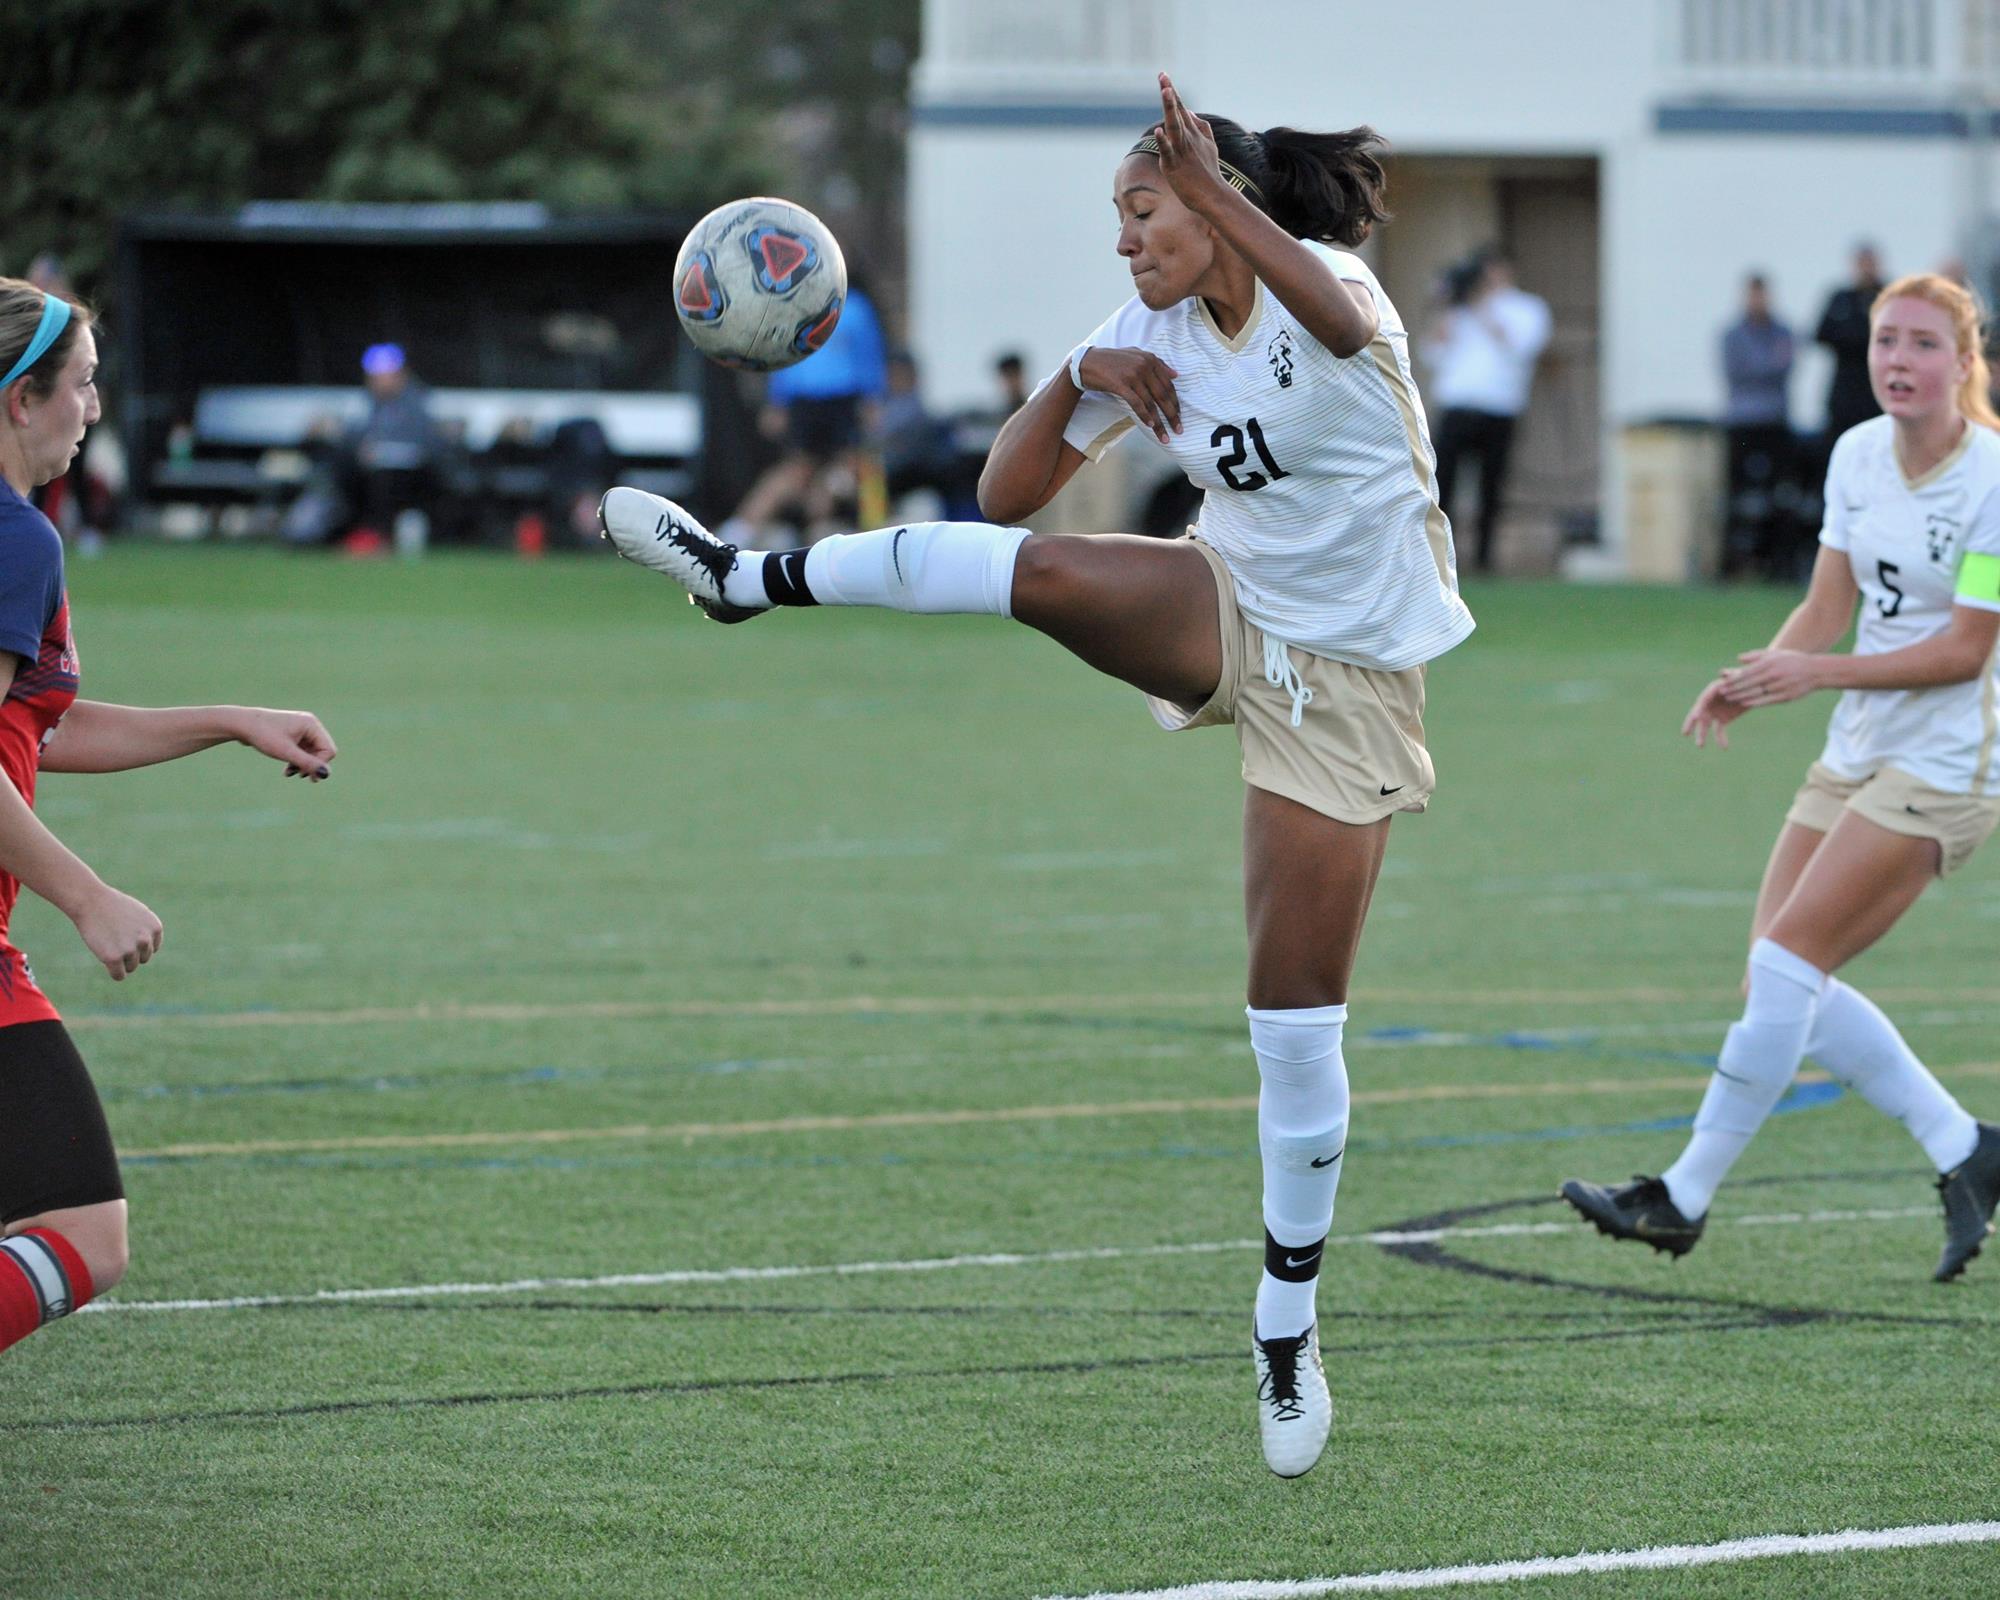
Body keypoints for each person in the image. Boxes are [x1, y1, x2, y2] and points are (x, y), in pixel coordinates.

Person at [599, 73, 1474, 1478]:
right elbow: (1009, 500)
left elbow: (1311, 313)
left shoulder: (1340, 295)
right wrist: (1082, 376)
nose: (1124, 243)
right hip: (1226, 602)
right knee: (1049, 569)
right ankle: (743, 579)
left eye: (1144, 211)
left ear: (1211, 203)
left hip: (1353, 688)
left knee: (1294, 1026)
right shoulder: (1149, 320)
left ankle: (1285, 1325)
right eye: (1120, 217)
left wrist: (1219, 199)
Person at [1562, 273, 2000, 1283]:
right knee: (1773, 976)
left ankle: (1678, 1197)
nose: (1896, 360)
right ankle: (1963, 1148)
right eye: (1884, 340)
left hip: (1947, 761)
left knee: (1792, 964)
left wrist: (1818, 670)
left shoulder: (1989, 481)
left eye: (1923, 345)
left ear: (1963, 363)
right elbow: (1822, 606)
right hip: (1857, 741)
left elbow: (1965, 651)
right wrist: (1754, 676)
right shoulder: (1854, 454)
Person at [0, 278, 339, 1354]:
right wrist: (88, 897)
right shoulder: (14, 541)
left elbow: (35, 727)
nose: (93, 409)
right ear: (20, 398)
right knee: (82, 1235)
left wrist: (229, 718)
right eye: (85, 387)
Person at [718, 284, 889, 547]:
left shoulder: (855, 307)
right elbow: (783, 353)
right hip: (805, 399)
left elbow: (868, 354)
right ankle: (742, 529)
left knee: (854, 467)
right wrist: (778, 400)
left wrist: (872, 397)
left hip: (844, 397)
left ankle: (876, 534)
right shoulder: (795, 306)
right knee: (798, 471)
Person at [1422, 248, 1551, 573]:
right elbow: (1432, 354)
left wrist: (1482, 306)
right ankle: (1439, 556)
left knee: (1491, 485)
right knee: (1443, 482)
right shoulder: (1458, 310)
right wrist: (1446, 305)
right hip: (1456, 405)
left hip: (1500, 407)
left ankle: (1484, 559)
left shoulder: (1526, 308)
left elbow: (1521, 347)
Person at [1720, 273, 1797, 577]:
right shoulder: (1731, 334)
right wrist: (1767, 365)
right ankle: (1731, 564)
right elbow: (1736, 372)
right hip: (1742, 422)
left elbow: (1785, 368)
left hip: (1774, 421)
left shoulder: (1783, 331)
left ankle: (1780, 564)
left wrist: (1758, 366)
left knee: (1780, 492)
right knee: (1734, 493)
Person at [344, 342, 440, 554]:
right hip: (373, 469)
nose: (380, 382)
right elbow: (353, 435)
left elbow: (427, 442)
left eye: (386, 375)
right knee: (349, 475)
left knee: (388, 484)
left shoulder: (416, 402)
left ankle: (383, 536)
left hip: (415, 471)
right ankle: (365, 532)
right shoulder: (367, 403)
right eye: (375, 377)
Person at [1816, 242, 1887, 445]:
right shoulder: (1840, 299)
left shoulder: (1888, 297)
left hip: (1877, 391)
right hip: (1845, 392)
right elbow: (1821, 335)